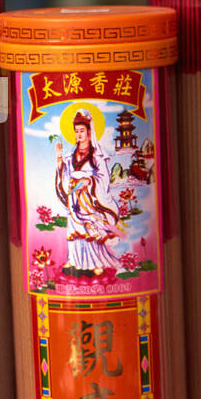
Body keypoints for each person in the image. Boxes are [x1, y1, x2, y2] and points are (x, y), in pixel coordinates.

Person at [55, 107, 121, 277]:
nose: (78, 134)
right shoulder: (71, 155)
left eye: (82, 131)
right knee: (74, 227)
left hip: (89, 198)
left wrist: (89, 181)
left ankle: (94, 262)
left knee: (90, 227)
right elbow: (65, 174)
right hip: (74, 198)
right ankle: (76, 260)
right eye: (76, 131)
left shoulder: (96, 155)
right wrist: (59, 158)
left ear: (89, 131)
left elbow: (103, 177)